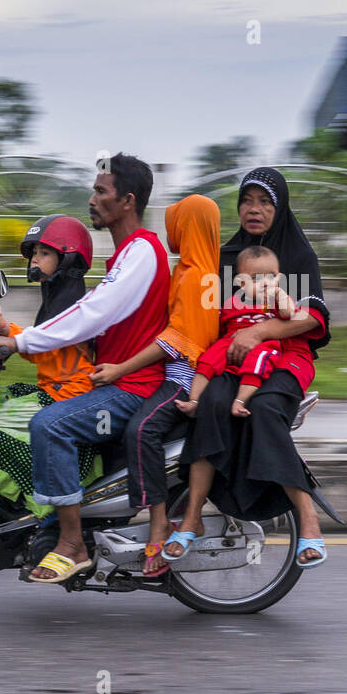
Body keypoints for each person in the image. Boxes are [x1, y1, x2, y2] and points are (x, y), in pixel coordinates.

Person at [0, 153, 170, 584]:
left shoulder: (143, 250)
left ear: (127, 200)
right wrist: (9, 332)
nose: (92, 199)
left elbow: (91, 315)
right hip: (116, 380)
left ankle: (72, 545)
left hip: (133, 387)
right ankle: (46, 526)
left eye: (101, 191)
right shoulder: (123, 257)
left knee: (50, 424)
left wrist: (17, 340)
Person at [166, 167, 331, 568]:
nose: (253, 210)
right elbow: (210, 314)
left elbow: (313, 316)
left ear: (280, 207)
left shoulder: (297, 255)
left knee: (267, 410)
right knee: (210, 407)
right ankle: (192, 518)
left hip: (287, 356)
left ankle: (309, 520)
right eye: (246, 200)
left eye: (264, 202)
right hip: (232, 358)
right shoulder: (228, 258)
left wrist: (259, 333)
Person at [91, 194, 221, 578]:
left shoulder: (198, 276)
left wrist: (120, 369)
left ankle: (159, 521)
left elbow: (177, 341)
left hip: (184, 379)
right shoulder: (188, 269)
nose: (170, 230)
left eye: (177, 223)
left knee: (141, 429)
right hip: (173, 375)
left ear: (189, 227)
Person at [0, 215, 99, 513]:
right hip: (54, 392)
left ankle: (42, 511)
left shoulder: (75, 306)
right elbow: (39, 343)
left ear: (68, 259)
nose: (35, 259)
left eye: (44, 253)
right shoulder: (56, 298)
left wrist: (1, 327)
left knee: (0, 425)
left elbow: (43, 345)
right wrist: (1, 330)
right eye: (34, 252)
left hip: (68, 398)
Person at [175, 244, 313, 420]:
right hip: (230, 341)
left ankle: (240, 401)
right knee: (207, 360)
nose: (265, 283)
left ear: (278, 278)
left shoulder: (275, 301)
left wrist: (279, 293)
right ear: (241, 283)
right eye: (256, 279)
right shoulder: (232, 301)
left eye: (271, 277)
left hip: (265, 343)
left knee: (258, 361)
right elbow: (216, 323)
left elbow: (289, 313)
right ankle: (193, 401)